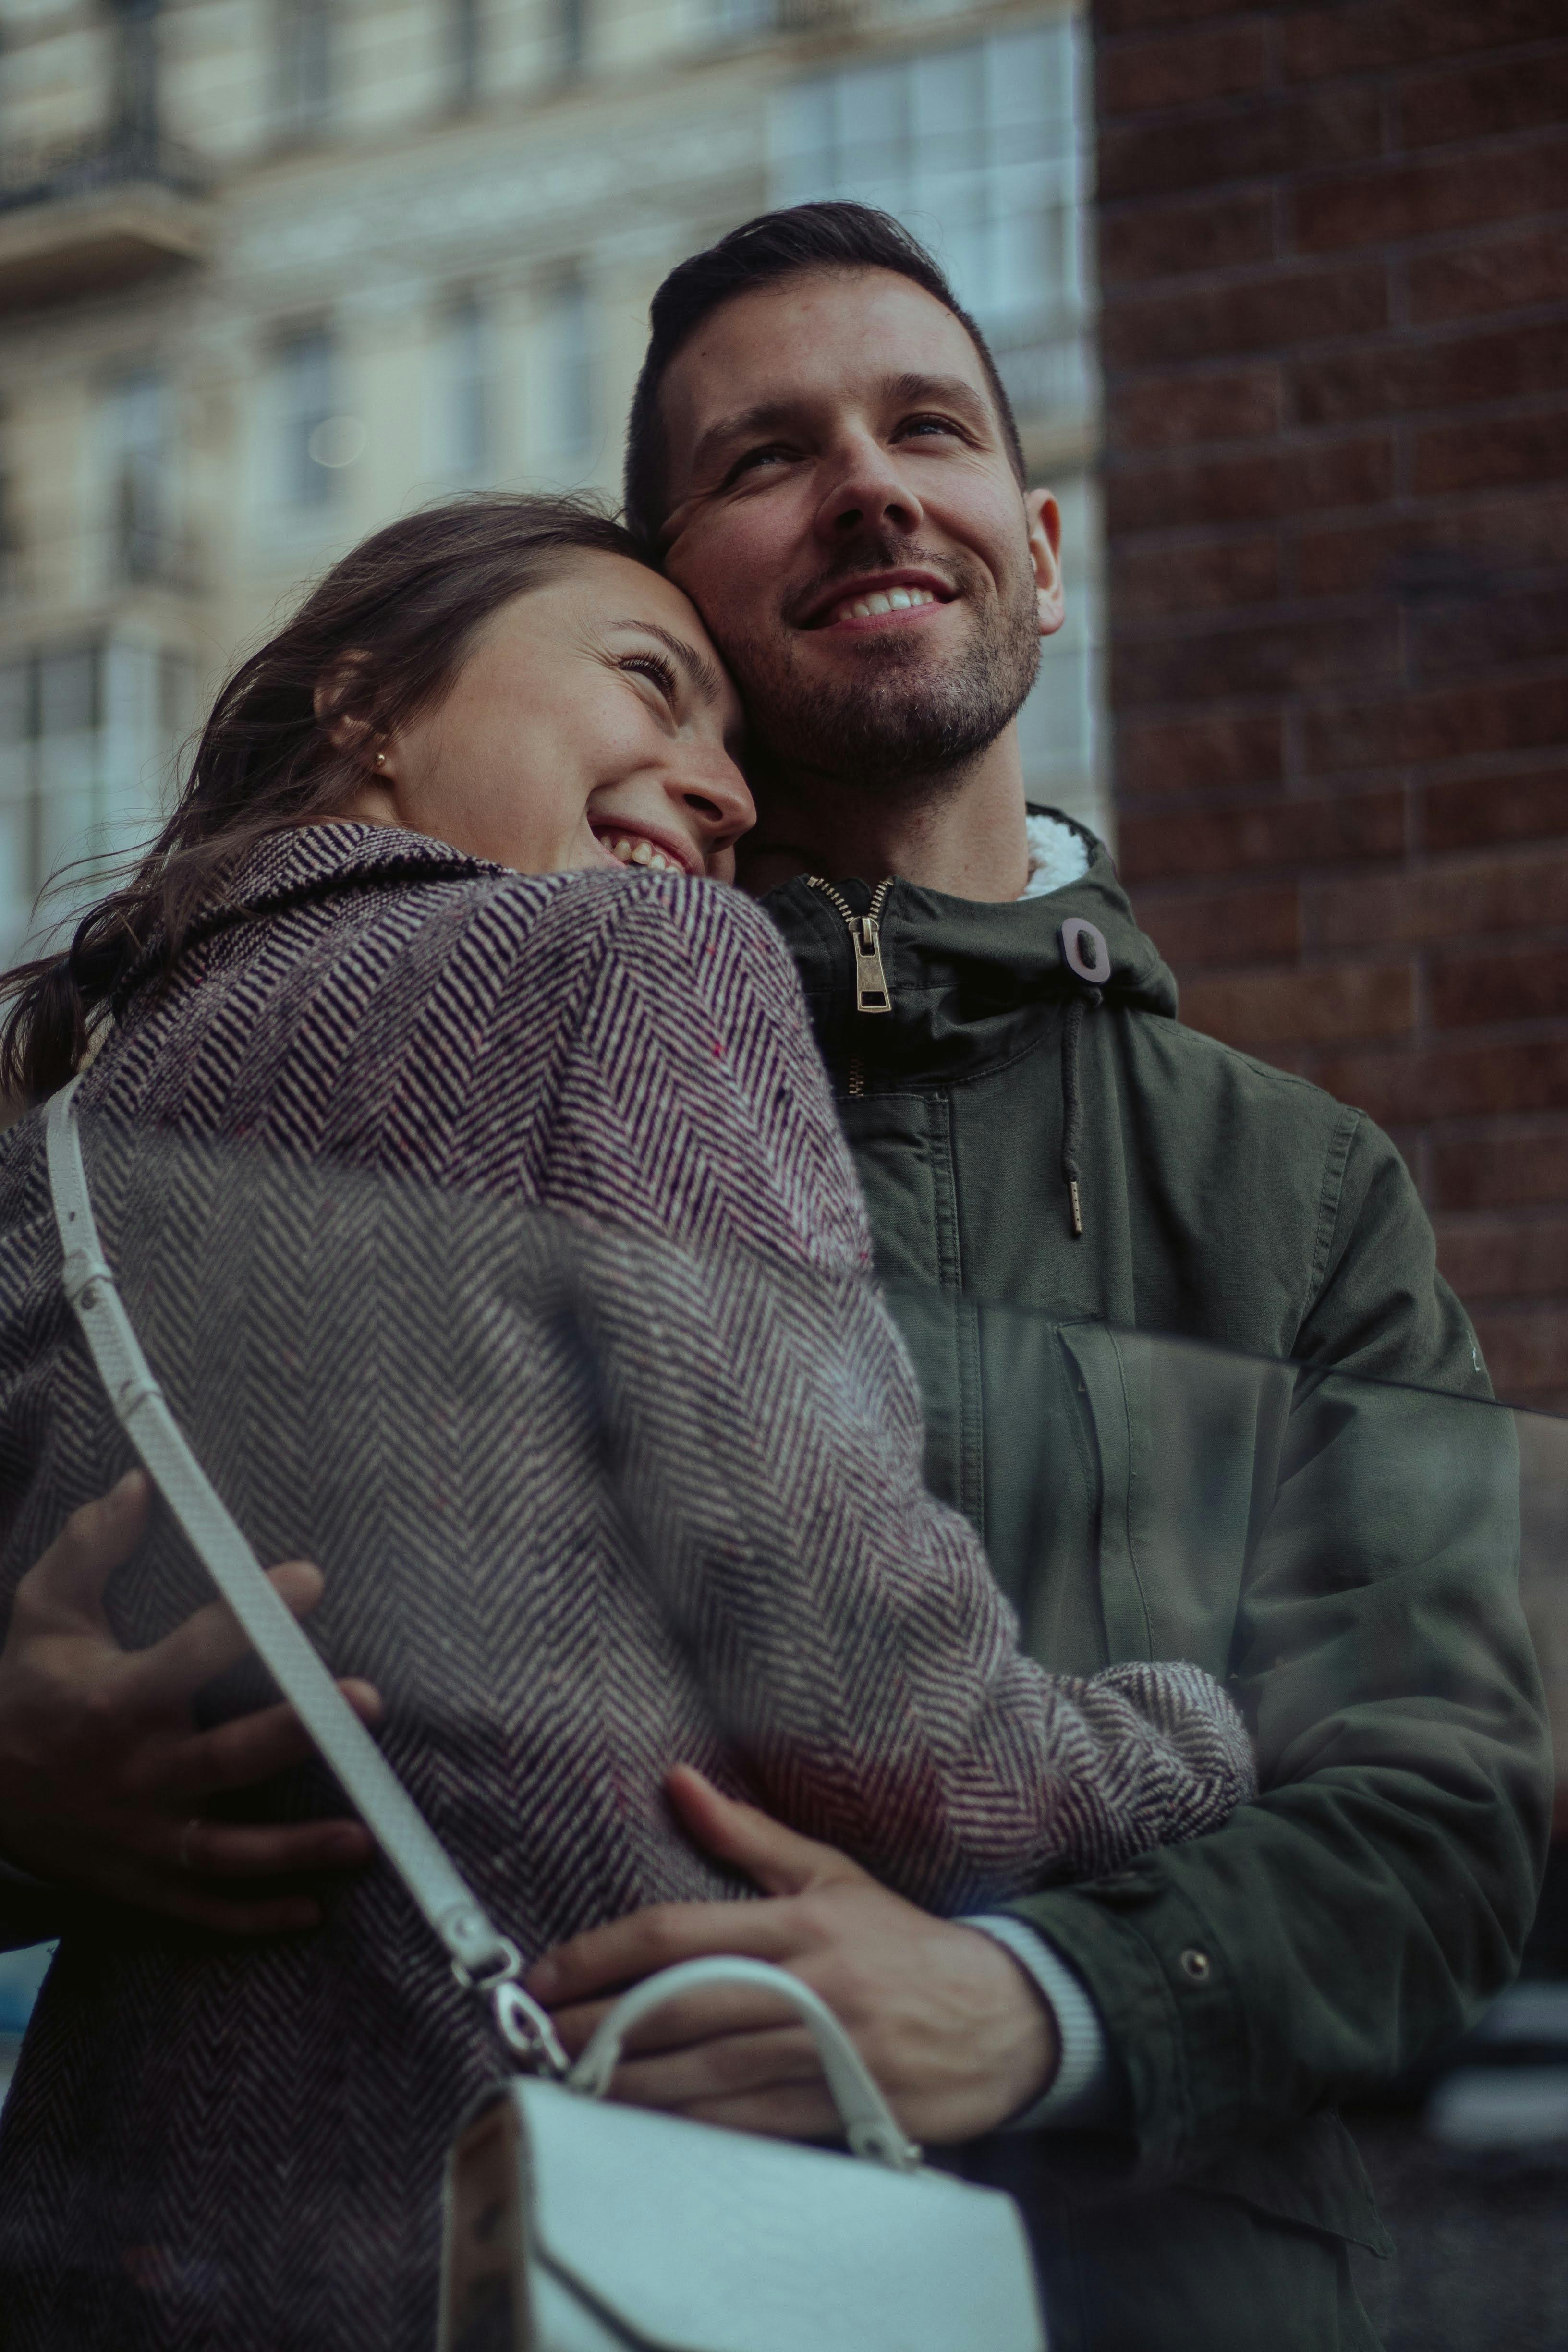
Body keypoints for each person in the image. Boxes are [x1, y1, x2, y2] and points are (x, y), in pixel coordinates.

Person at [0, 203, 1551, 2348]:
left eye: (925, 425)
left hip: (1162, 2290)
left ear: (1040, 538)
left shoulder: (1294, 1185)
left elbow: (1455, 1800)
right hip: (516, 2251)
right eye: (765, 457)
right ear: (677, 578)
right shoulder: (571, 984)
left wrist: (1039, 1997)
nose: (866, 483)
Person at [0, 495, 1253, 2349]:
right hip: (542, 2220)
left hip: (106, 2242)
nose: (720, 791)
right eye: (651, 688)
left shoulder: (49, 1154)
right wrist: (1210, 1727)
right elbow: (898, 1735)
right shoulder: (618, 965)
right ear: (366, 703)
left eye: (731, 747)